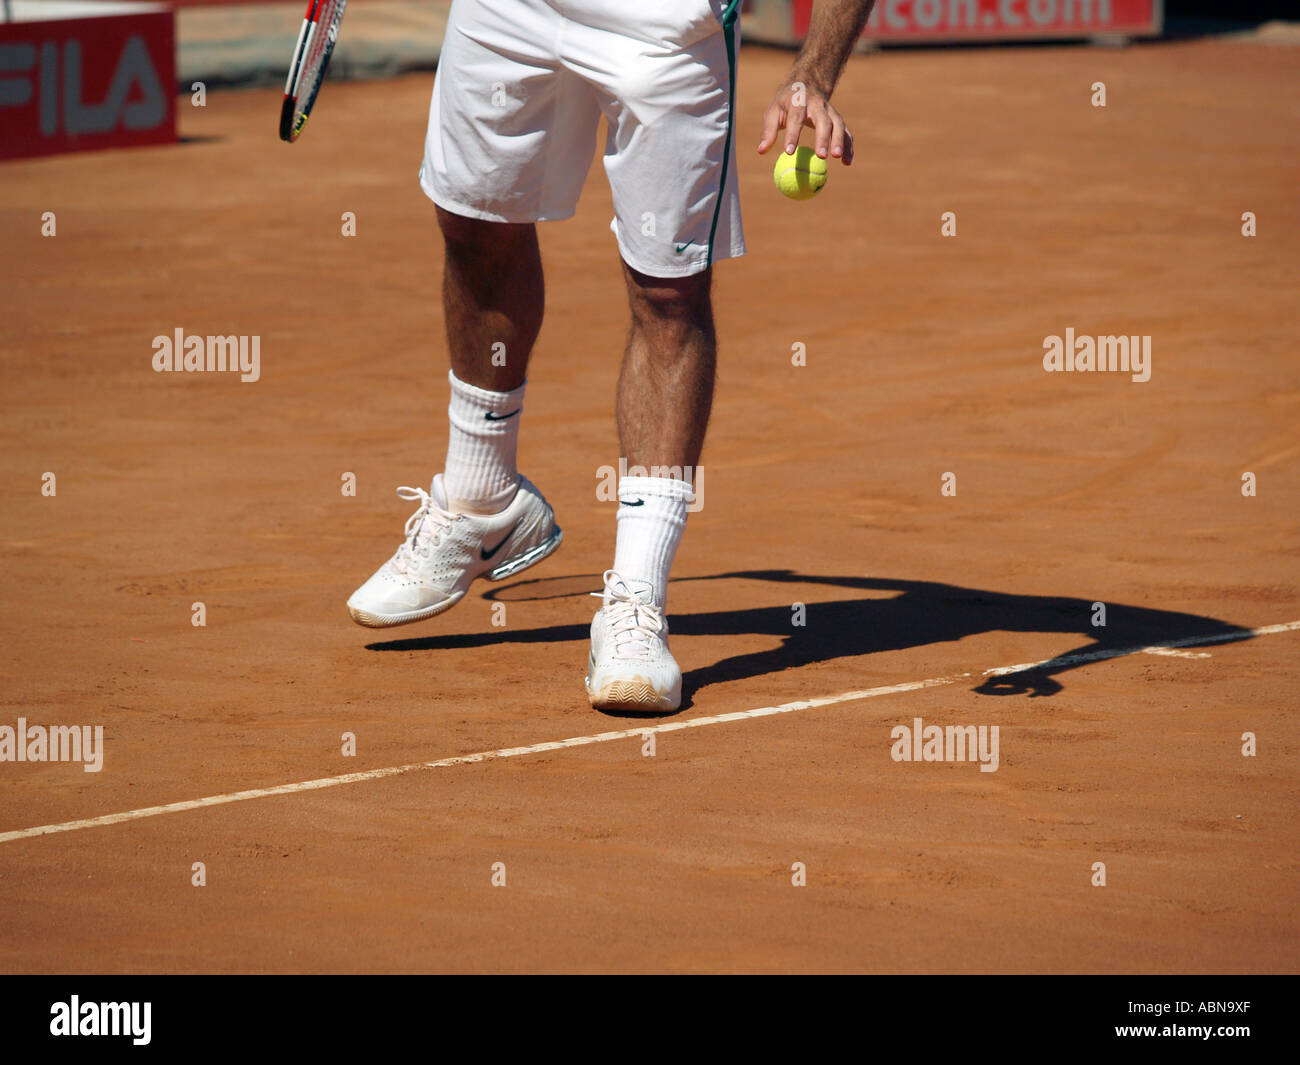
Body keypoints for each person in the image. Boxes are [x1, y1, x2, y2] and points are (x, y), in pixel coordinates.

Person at [348, 0, 875, 711]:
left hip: (665, 26)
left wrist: (813, 69)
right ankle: (482, 501)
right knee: (474, 218)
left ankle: (634, 602)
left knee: (668, 293)